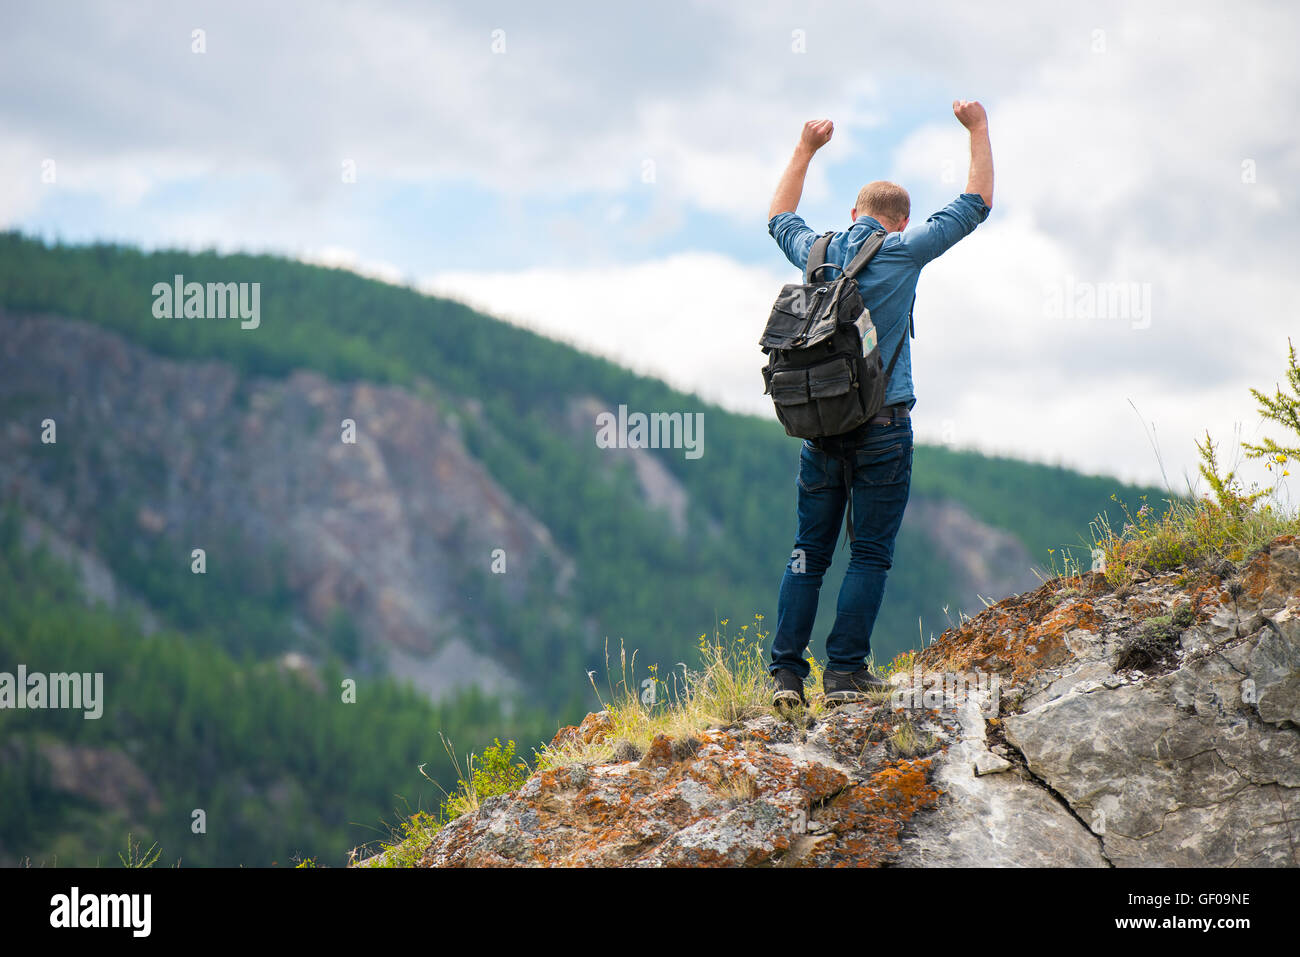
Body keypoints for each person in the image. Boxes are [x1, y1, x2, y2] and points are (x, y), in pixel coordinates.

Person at [766, 100, 994, 710]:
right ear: (902, 222)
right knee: (868, 552)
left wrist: (807, 148)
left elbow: (779, 216)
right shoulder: (902, 251)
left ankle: (785, 676)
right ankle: (843, 675)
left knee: (807, 552)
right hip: (883, 426)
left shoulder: (817, 252)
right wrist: (978, 128)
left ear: (853, 214)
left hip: (819, 426)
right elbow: (975, 207)